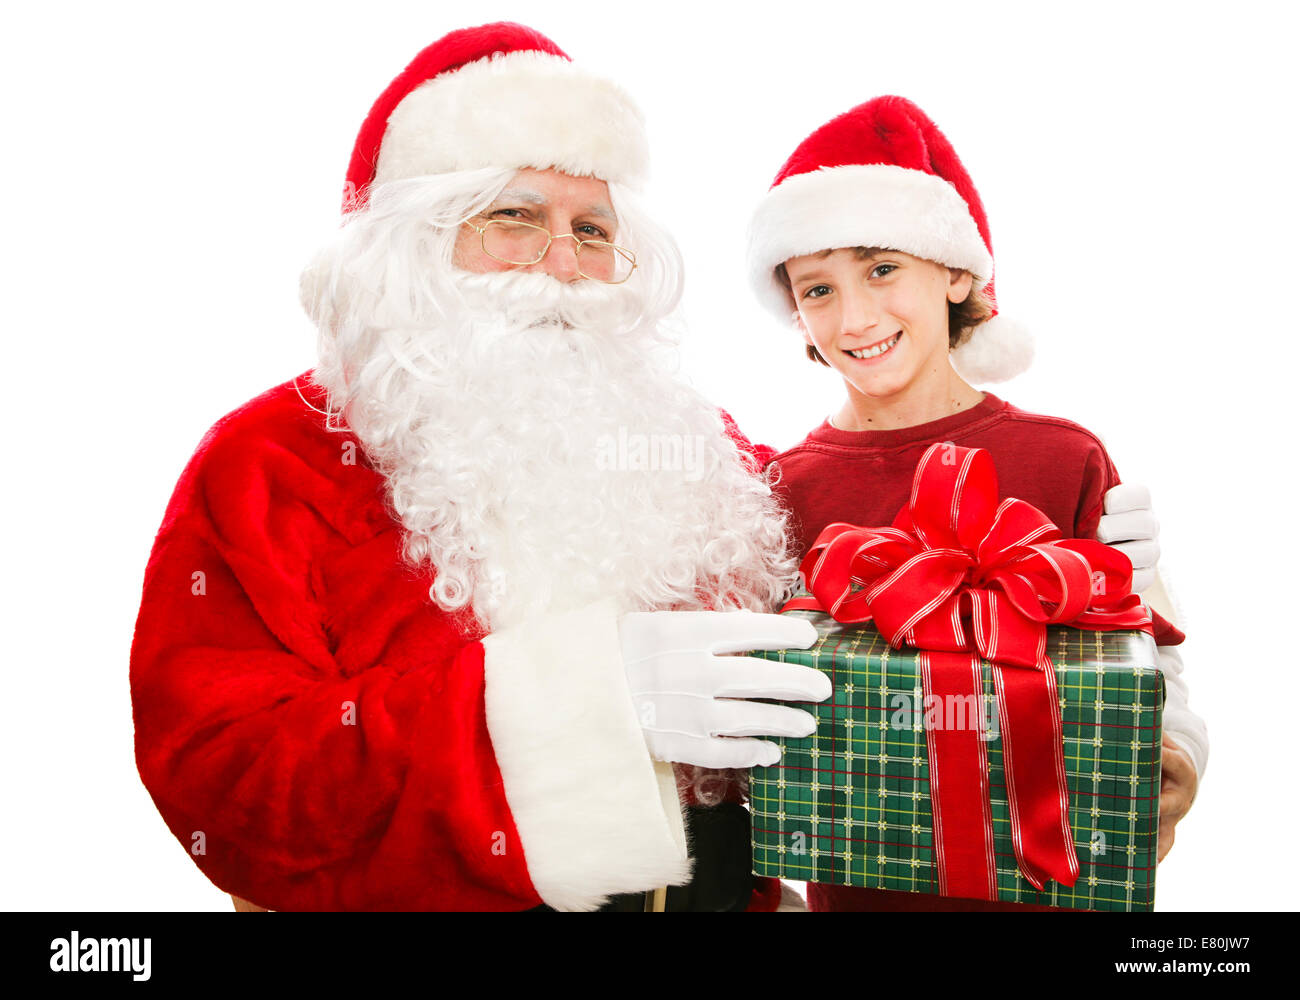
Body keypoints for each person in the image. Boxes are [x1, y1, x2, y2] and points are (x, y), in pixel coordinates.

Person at [129, 22, 834, 913]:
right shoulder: (269, 459)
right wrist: (584, 705)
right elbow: (223, 774)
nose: (568, 264)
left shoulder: (697, 441)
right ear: (412, 244)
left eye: (591, 228)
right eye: (515, 218)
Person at [744, 94, 1206, 911]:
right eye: (817, 289)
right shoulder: (784, 488)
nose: (854, 317)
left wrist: (1172, 759)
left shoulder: (1066, 457)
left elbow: (1145, 658)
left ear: (956, 271)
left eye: (882, 269)